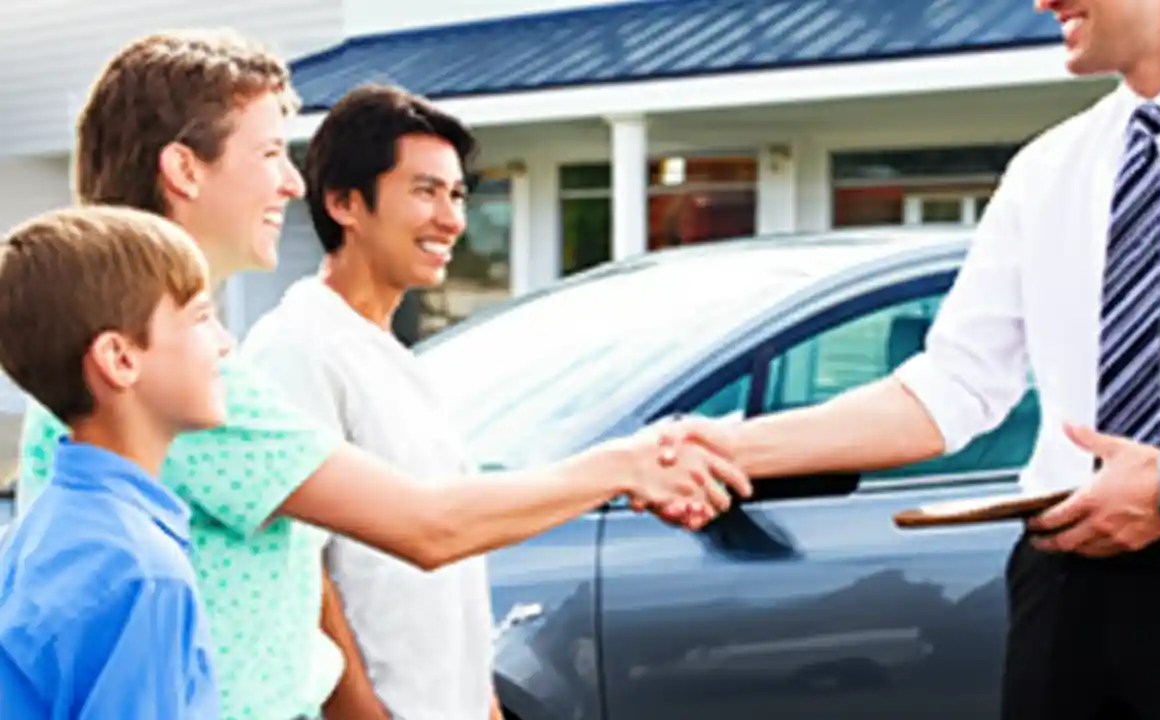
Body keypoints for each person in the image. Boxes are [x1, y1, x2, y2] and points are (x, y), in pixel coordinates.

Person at [15, 31, 749, 720]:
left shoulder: (156, 362)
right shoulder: (166, 383)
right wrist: (624, 464)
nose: (291, 185)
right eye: (270, 153)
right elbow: (427, 526)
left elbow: (291, 590)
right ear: (183, 168)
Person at [704, 0, 1160, 717]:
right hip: (1063, 585)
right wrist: (722, 447)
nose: (1041, 1)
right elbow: (951, 387)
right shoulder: (1046, 168)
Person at [240, 83, 499, 720]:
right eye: (424, 191)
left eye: (456, 194)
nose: (451, 219)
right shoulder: (298, 346)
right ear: (345, 204)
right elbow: (299, 562)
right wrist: (359, 709)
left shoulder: (393, 356)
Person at [0, 206, 230, 719]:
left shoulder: (40, 530)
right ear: (119, 358)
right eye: (200, 317)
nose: (224, 343)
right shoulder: (143, 573)